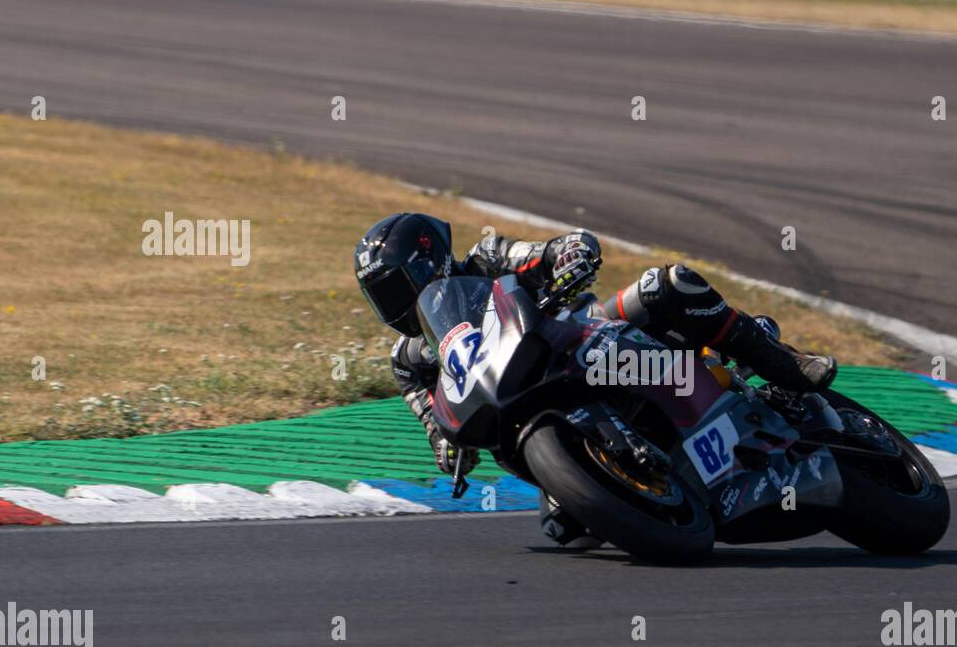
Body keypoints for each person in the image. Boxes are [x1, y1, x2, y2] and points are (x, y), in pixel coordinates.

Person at [354, 212, 836, 536]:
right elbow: (429, 417)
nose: (391, 306)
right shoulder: (411, 356)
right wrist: (446, 442)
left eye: (394, 287)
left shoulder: (488, 258)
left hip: (586, 339)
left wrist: (569, 256)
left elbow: (560, 246)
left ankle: (781, 361)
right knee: (566, 528)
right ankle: (637, 476)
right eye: (380, 297)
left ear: (426, 260)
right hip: (524, 414)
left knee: (668, 286)